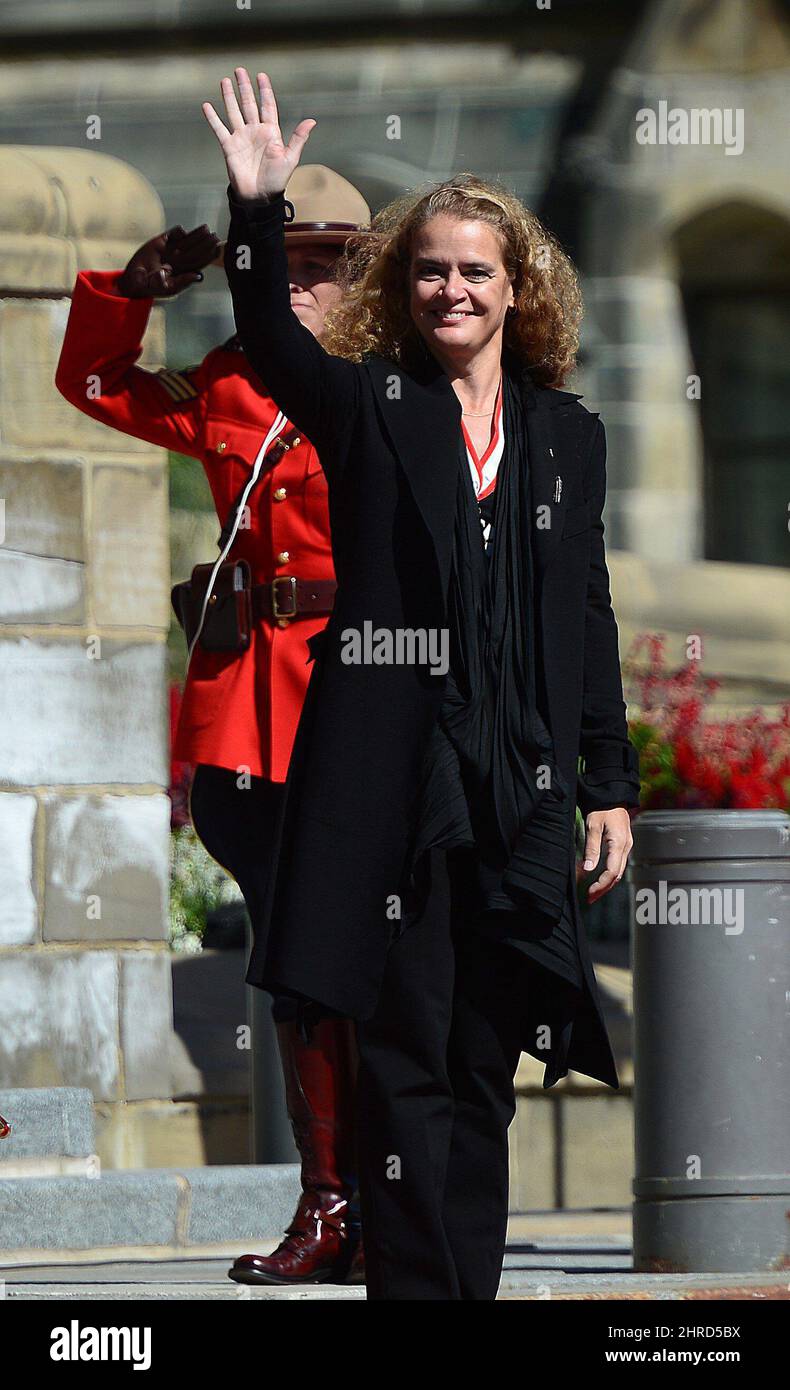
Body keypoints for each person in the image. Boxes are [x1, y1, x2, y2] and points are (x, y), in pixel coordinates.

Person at [204, 67, 641, 1301]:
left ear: (519, 289)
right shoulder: (368, 404)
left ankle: (468, 1289)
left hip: (520, 783)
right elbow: (275, 341)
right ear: (406, 286)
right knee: (401, 1051)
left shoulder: (568, 438)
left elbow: (586, 615)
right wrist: (256, 213)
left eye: (475, 271)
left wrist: (608, 781)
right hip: (396, 782)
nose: (451, 289)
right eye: (430, 269)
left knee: (480, 1060)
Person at [54, 164, 372, 1287]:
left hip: (368, 694)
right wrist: (130, 294)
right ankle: (328, 1206)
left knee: (392, 961)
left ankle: (396, 1193)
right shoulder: (231, 384)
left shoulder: (400, 387)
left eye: (326, 266)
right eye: (285, 266)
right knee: (289, 958)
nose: (305, 289)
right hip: (253, 705)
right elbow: (92, 384)